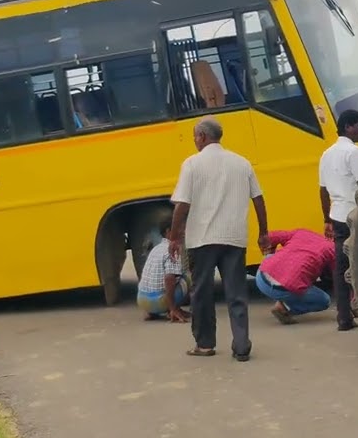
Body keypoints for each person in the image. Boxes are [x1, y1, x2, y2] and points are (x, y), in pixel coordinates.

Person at [168, 117, 270, 362]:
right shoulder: (242, 163)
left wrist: (173, 237)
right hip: (234, 237)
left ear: (202, 137)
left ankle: (205, 344)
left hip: (202, 240)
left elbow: (182, 204)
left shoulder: (192, 164)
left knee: (202, 293)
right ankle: (242, 345)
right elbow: (258, 199)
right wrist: (263, 232)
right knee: (236, 292)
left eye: (195, 136)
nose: (194, 140)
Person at [318, 108, 358, 331]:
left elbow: (322, 190)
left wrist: (326, 219)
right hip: (356, 216)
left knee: (340, 269)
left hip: (337, 216)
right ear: (348, 126)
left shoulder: (326, 153)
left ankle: (343, 317)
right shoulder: (354, 152)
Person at [253, 228, 335, 324]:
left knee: (272, 257)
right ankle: (284, 307)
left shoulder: (303, 233)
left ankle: (272, 265)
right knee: (324, 300)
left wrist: (269, 252)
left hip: (261, 277)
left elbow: (270, 237)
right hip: (283, 288)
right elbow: (338, 278)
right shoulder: (333, 249)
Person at [137, 221, 190, 322]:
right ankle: (173, 309)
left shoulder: (156, 248)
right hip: (159, 302)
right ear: (168, 231)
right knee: (188, 277)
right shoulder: (172, 249)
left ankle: (151, 312)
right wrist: (172, 308)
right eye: (181, 229)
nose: (183, 232)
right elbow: (169, 279)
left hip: (142, 300)